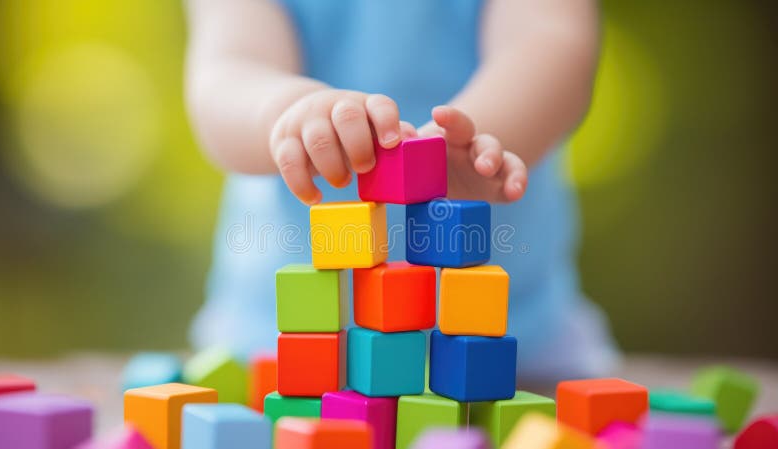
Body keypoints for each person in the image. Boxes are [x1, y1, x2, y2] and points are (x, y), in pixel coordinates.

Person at [185, 0, 619, 383]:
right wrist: (286, 114)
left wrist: (483, 136)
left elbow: (551, 46)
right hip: (278, 343)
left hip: (515, 342)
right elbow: (226, 73)